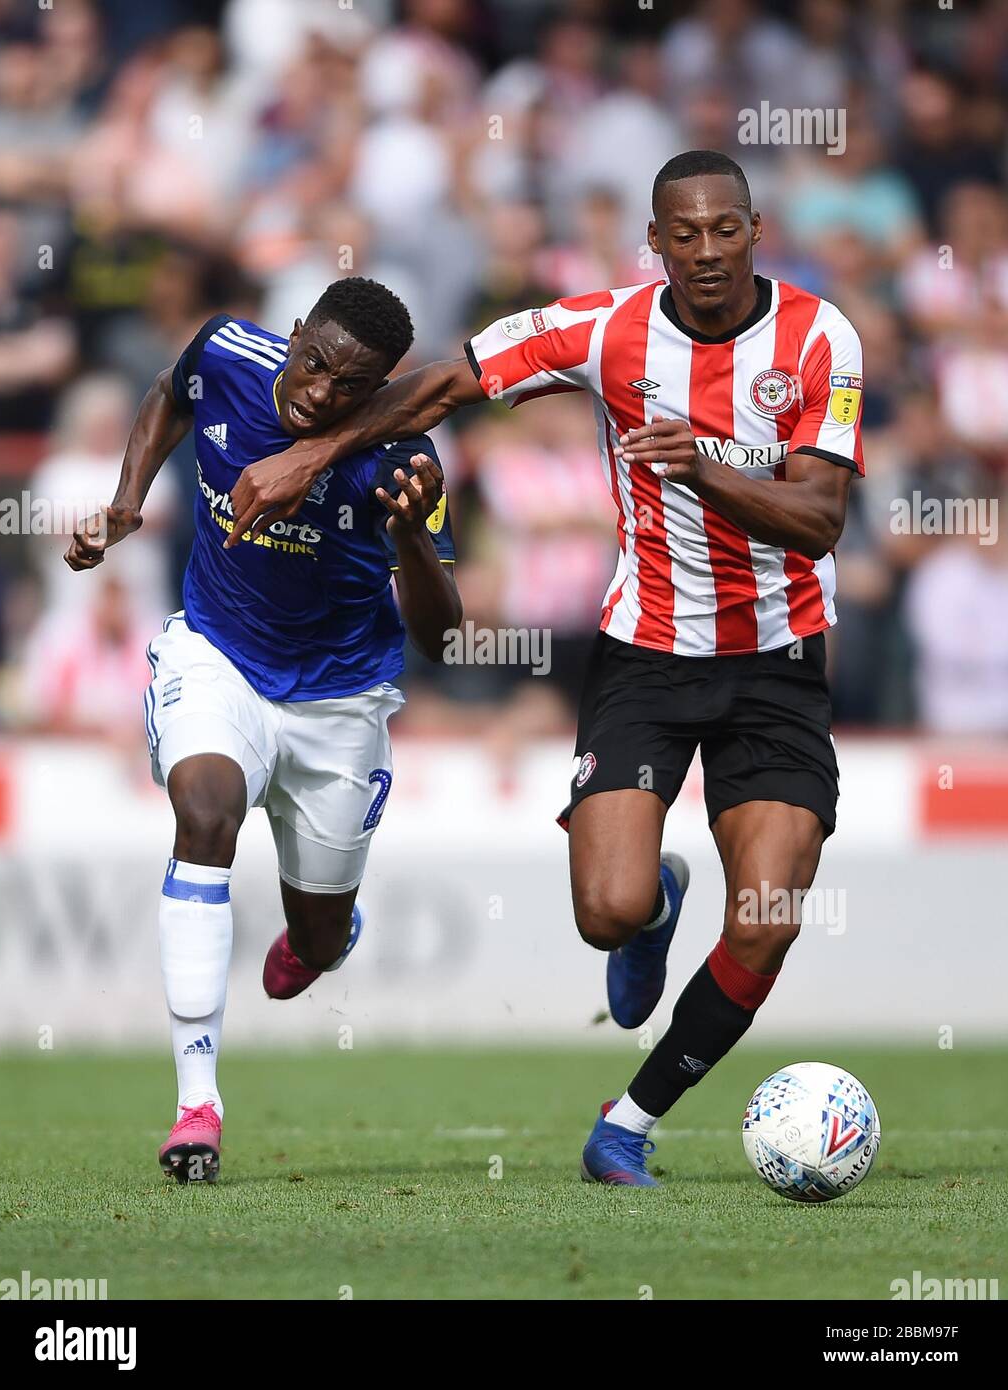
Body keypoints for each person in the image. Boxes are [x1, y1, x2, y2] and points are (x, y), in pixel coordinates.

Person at [226, 149, 864, 1188]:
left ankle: (628, 1121)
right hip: (646, 654)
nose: (706, 251)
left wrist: (697, 464)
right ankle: (655, 905)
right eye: (684, 234)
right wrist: (307, 457)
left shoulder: (821, 337)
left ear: (756, 230)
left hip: (779, 661)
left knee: (769, 916)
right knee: (604, 912)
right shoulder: (607, 326)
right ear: (654, 244)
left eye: (726, 230)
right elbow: (444, 381)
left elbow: (820, 518)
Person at [65, 277, 461, 1182]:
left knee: (315, 942)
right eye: (313, 362)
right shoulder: (229, 354)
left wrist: (407, 535)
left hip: (340, 698)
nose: (318, 392)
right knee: (205, 816)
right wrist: (128, 501)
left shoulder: (401, 462)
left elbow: (444, 634)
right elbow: (169, 391)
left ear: (380, 392)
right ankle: (195, 1107)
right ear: (292, 334)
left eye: (348, 386)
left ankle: (322, 937)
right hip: (218, 653)